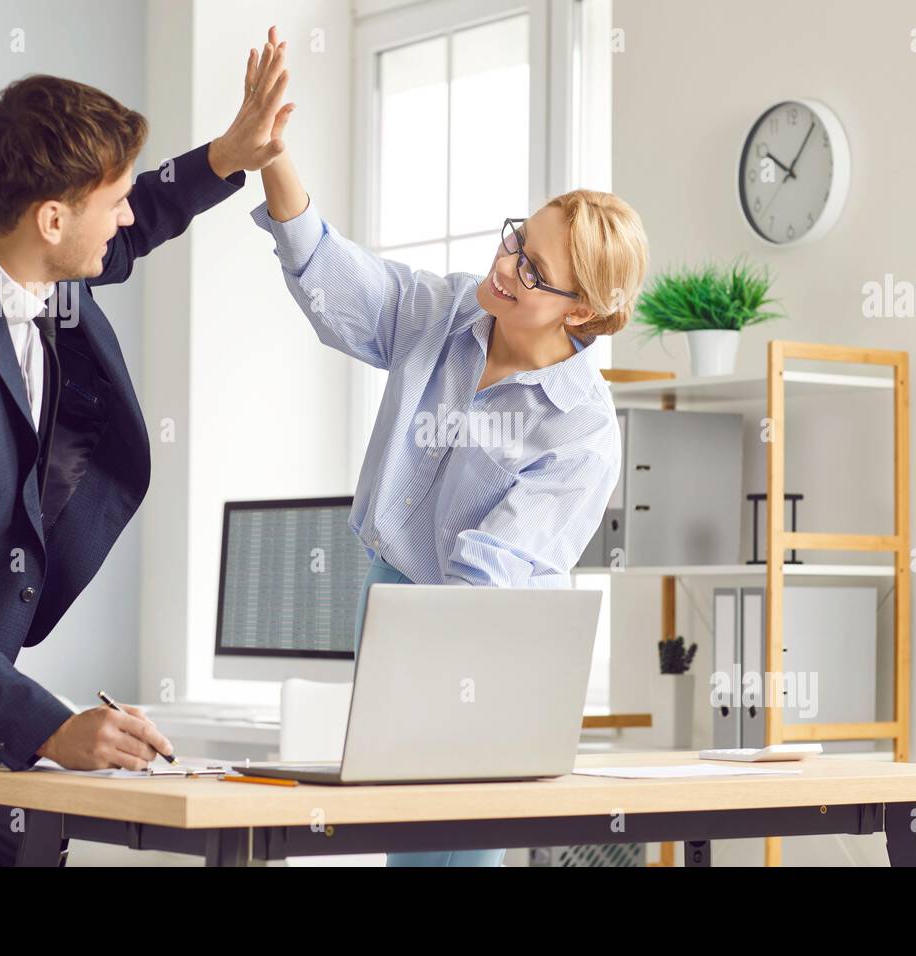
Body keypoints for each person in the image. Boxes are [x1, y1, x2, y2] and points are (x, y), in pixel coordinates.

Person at [0, 32, 293, 866]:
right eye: (110, 200)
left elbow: (128, 221)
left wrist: (229, 157)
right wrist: (51, 725)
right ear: (51, 218)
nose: (123, 215)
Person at [248, 28, 649, 867]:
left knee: (450, 855)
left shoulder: (578, 433)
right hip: (389, 604)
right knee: (407, 852)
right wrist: (270, 153)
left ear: (583, 312)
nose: (508, 269)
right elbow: (328, 269)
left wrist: (421, 681)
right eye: (516, 242)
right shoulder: (441, 314)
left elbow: (488, 579)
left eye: (536, 273)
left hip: (478, 638)